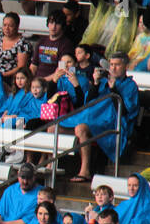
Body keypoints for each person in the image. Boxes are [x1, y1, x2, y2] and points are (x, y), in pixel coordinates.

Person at [60, 53, 140, 183]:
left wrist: (113, 89)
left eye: (117, 65)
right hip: (90, 116)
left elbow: (124, 111)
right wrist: (96, 83)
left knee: (81, 129)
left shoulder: (130, 85)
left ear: (126, 66)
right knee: (54, 128)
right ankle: (48, 165)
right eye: (111, 65)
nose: (113, 68)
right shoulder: (103, 81)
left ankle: (85, 171)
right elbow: (88, 102)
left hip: (109, 123)